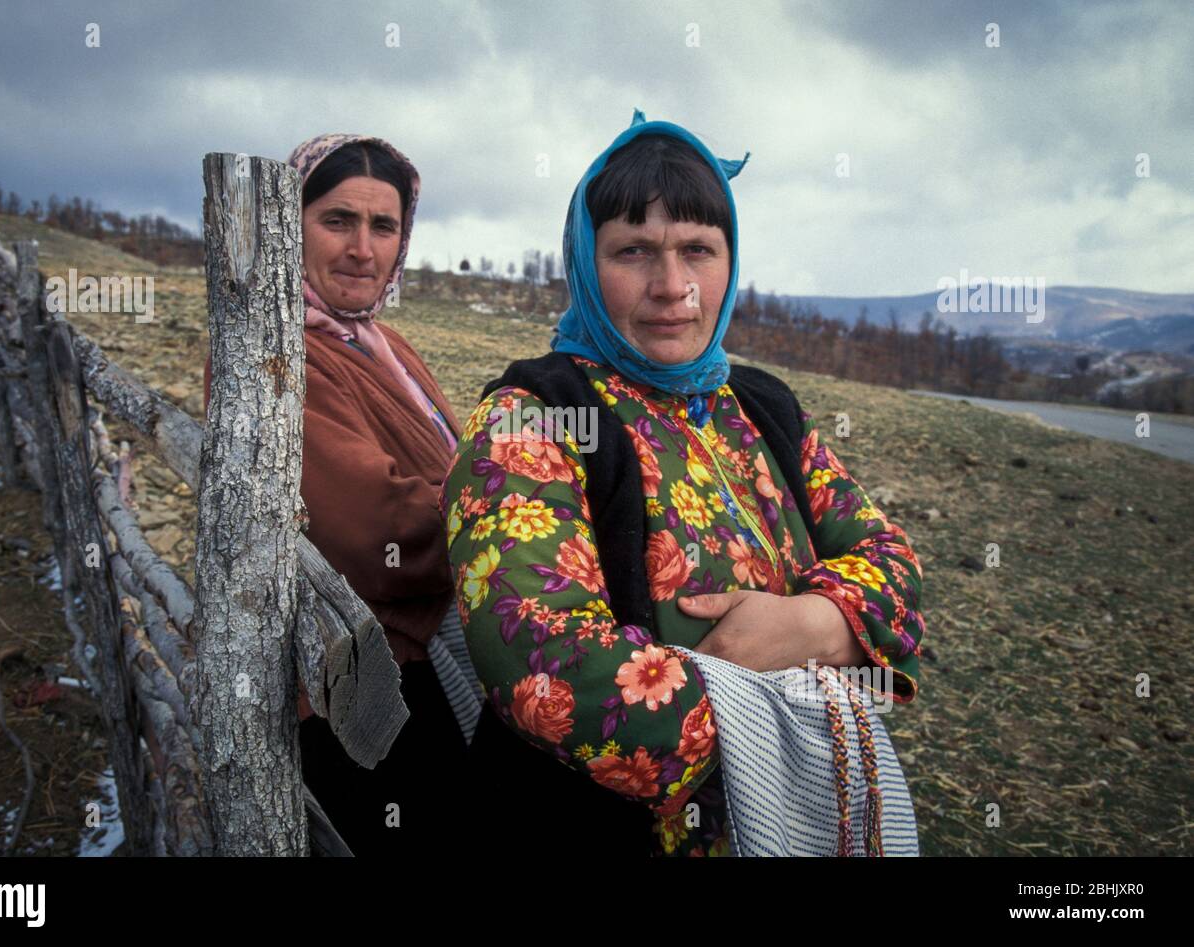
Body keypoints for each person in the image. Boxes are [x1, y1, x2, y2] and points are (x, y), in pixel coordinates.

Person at [441, 112, 927, 857]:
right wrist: (781, 701)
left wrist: (817, 625)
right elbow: (544, 670)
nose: (673, 287)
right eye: (634, 251)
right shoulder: (532, 421)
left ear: (730, 261)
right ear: (582, 259)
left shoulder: (764, 409)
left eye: (698, 249)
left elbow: (892, 562)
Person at [204, 131, 467, 856]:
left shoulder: (381, 342)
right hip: (362, 689)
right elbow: (371, 531)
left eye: (384, 226)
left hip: (415, 663)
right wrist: (514, 526)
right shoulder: (280, 350)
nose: (363, 248)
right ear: (291, 225)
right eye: (338, 220)